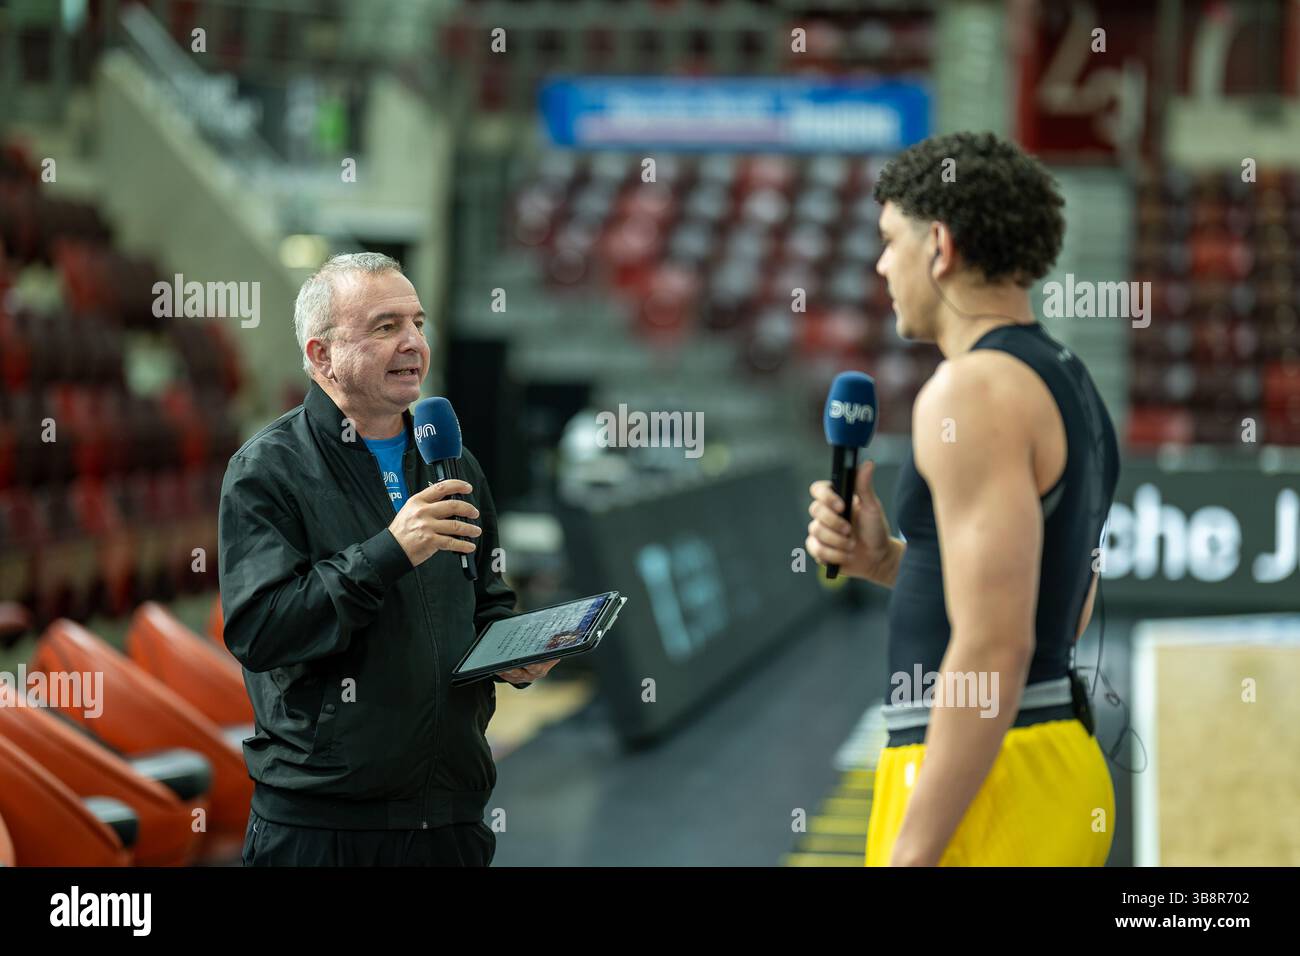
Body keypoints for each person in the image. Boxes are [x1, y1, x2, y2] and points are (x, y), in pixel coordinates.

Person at [805, 132, 1120, 866]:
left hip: (993, 784)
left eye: (890, 241)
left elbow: (995, 647)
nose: (882, 265)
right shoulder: (1067, 377)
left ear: (939, 245)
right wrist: (886, 561)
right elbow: (1061, 603)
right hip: (1046, 761)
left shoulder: (971, 390)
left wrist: (912, 854)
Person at [218, 252, 557, 866]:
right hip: (324, 825)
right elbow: (262, 630)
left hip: (449, 816)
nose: (413, 344)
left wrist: (517, 650)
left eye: (418, 323)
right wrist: (388, 552)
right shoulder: (268, 470)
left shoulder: (453, 461)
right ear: (321, 356)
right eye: (384, 327)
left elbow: (486, 599)